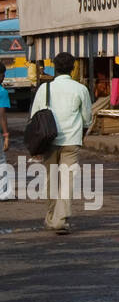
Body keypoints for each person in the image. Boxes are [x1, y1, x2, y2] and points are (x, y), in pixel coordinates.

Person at [28, 53, 93, 233]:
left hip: (48, 140)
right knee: (67, 180)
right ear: (73, 68)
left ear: (54, 67)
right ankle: (60, 219)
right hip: (72, 140)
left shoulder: (45, 89)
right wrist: (82, 132)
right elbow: (87, 118)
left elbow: (35, 116)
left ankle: (51, 218)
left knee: (51, 180)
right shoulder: (80, 89)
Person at [0, 63, 11, 201]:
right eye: (2, 75)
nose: (3, 78)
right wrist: (6, 135)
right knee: (1, 161)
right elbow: (1, 115)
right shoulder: (2, 91)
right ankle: (2, 192)